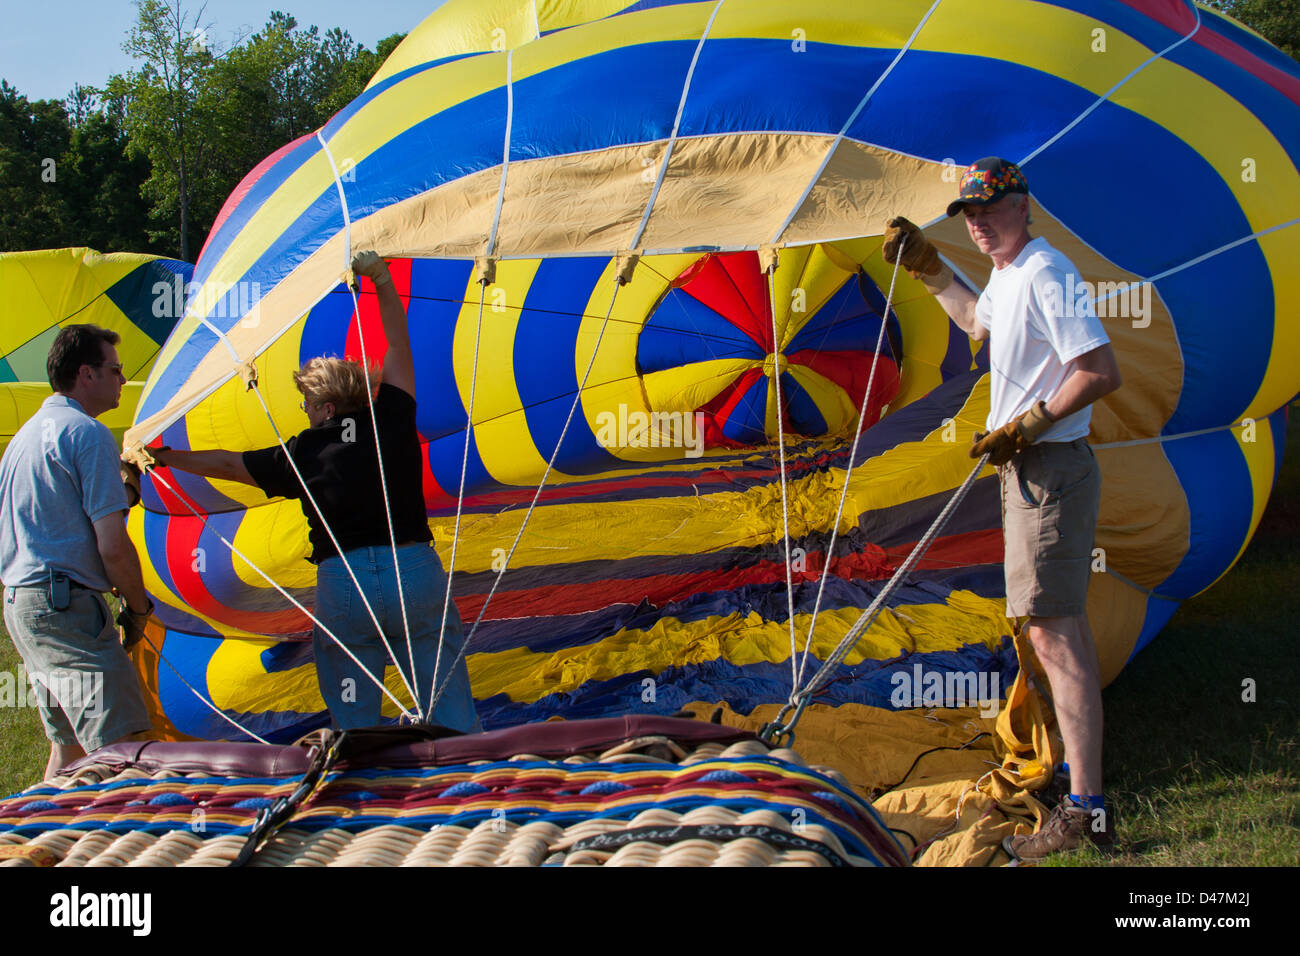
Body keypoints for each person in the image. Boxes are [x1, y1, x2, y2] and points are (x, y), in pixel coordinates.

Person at [883, 157, 1123, 860]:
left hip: (1049, 470)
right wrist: (928, 268)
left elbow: (1100, 370)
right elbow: (976, 322)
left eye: (991, 208)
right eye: (969, 215)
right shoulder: (1011, 274)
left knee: (1056, 636)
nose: (980, 223)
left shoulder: (1048, 272)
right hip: (1030, 470)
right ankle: (1086, 799)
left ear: (1024, 204)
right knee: (1053, 633)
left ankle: (1086, 809)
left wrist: (1030, 424)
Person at [147, 252, 480, 734]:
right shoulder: (392, 413)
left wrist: (164, 457)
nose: (303, 412)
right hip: (413, 569)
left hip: (344, 579)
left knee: (352, 696)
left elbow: (225, 463)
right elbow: (398, 341)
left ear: (323, 406)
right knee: (441, 677)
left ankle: (359, 772)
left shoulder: (302, 451)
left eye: (305, 403)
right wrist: (383, 281)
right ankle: (465, 764)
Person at [0, 325, 155, 780]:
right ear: (85, 374)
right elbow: (113, 546)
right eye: (115, 370)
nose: (123, 380)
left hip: (24, 603)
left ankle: (30, 848)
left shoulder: (24, 440)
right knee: (125, 751)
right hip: (66, 607)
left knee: (67, 751)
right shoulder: (87, 434)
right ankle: (125, 849)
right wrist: (139, 605)